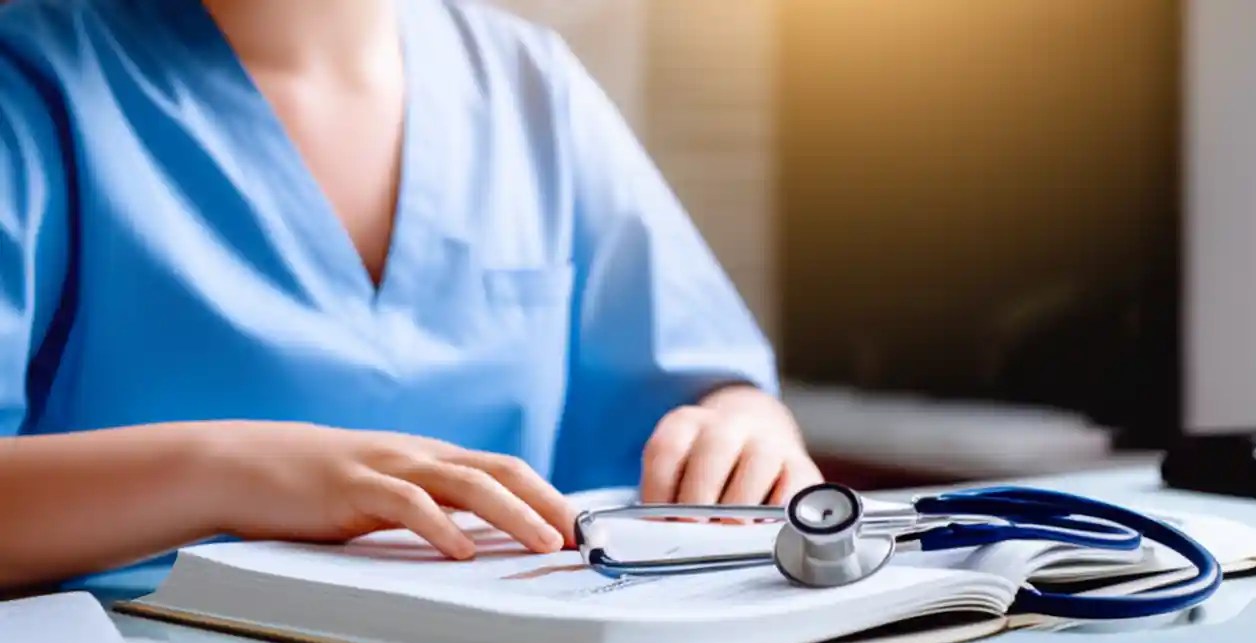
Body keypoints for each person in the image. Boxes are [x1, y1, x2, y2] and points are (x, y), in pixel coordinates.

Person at [0, 0, 821, 591]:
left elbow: (710, 386)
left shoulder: (528, 84)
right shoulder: (32, 77)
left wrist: (746, 430)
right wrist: (231, 474)